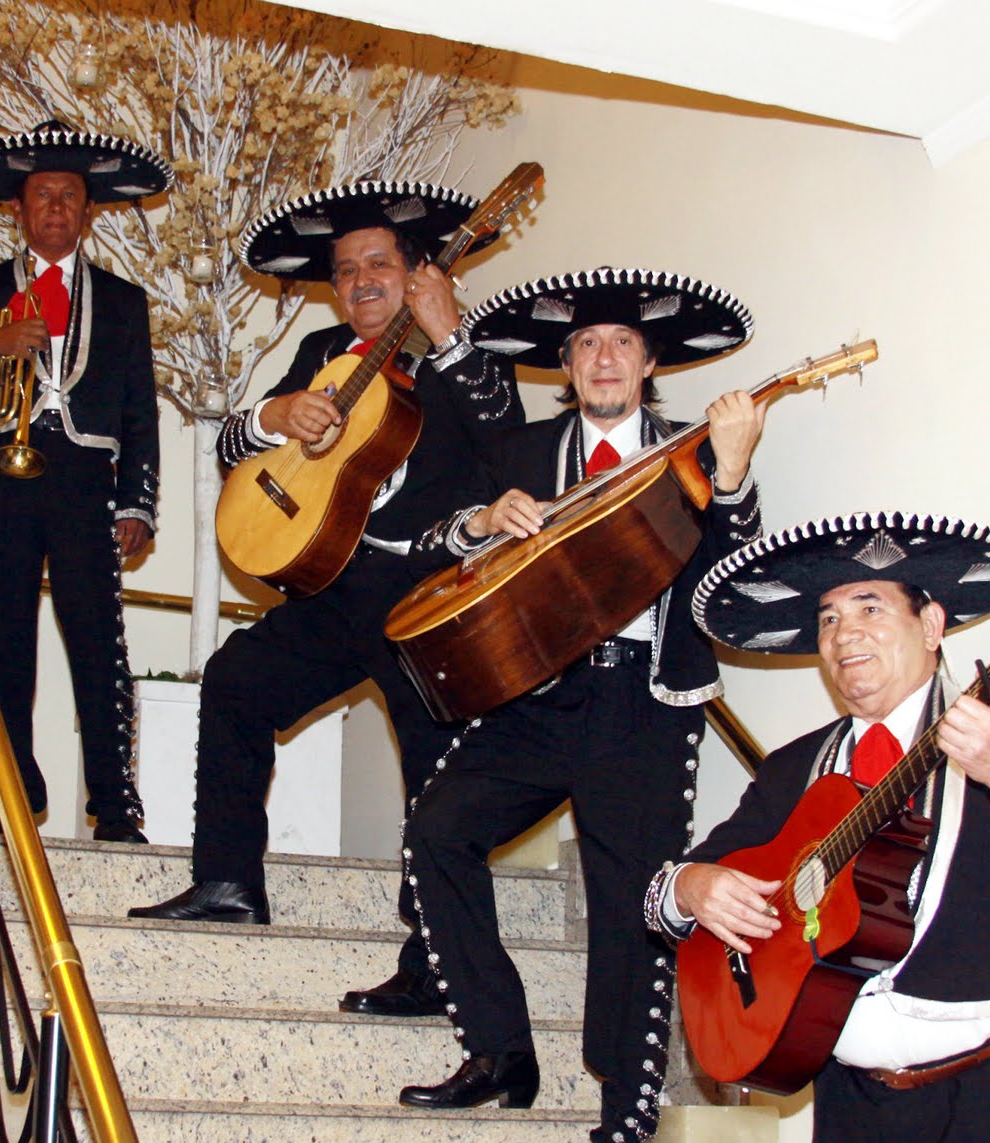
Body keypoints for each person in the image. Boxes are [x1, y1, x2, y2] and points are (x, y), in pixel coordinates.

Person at [130, 181, 524, 1018]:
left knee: (435, 771)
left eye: (379, 264)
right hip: (341, 583)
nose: (361, 282)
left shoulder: (462, 349)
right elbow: (235, 440)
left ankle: (434, 962)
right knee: (236, 680)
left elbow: (511, 438)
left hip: (428, 590)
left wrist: (449, 330)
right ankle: (229, 878)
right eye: (346, 271)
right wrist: (277, 412)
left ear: (416, 270)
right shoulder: (321, 348)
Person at [393, 268, 762, 1142]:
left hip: (645, 702)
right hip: (537, 694)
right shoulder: (524, 452)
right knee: (437, 831)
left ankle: (624, 1112)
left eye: (623, 345)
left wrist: (736, 473)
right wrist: (483, 522)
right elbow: (430, 540)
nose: (605, 357)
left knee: (633, 900)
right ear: (566, 362)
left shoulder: (695, 450)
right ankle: (498, 1049)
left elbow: (735, 574)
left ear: (647, 363)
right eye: (588, 344)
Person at [645, 510, 990, 1142]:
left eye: (870, 608)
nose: (845, 633)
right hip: (853, 1106)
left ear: (931, 625)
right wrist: (693, 888)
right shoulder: (795, 768)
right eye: (828, 618)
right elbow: (667, 892)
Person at [0, 122, 170, 841]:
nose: (56, 208)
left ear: (88, 212)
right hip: (4, 475)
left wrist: (138, 504)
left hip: (88, 478)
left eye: (69, 197)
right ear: (18, 211)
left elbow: (141, 413)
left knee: (98, 641)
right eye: (42, 197)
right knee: (1, 639)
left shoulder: (123, 301)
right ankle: (11, 794)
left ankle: (116, 806)